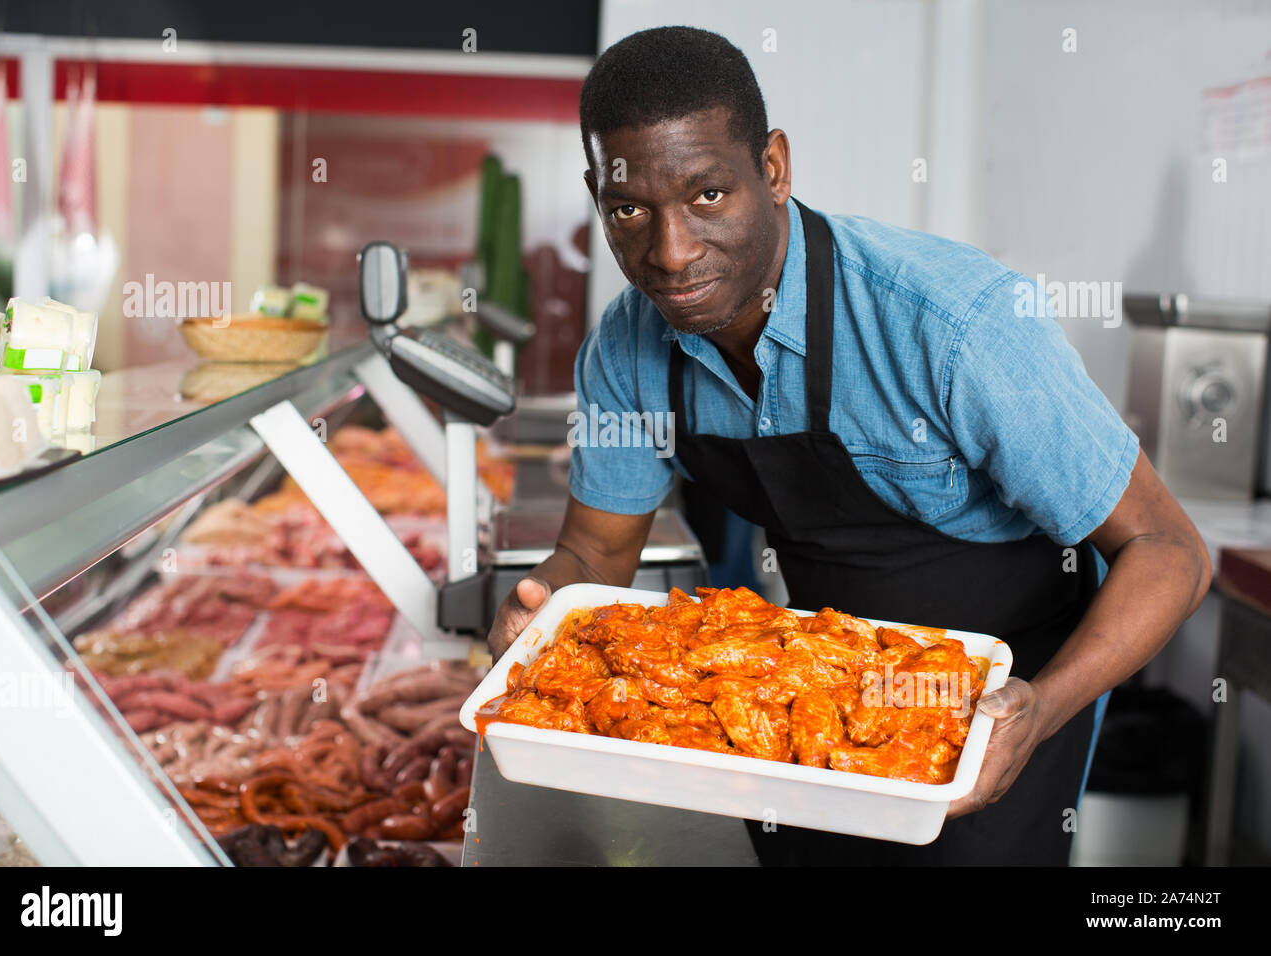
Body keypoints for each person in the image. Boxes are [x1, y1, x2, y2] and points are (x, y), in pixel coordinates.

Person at [486, 25, 1210, 865]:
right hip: (811, 686)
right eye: (629, 211)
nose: (671, 254)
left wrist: (1039, 709)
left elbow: (1169, 552)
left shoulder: (952, 322)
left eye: (708, 196)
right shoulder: (625, 350)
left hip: (1001, 692)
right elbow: (591, 557)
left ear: (774, 169)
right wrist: (539, 610)